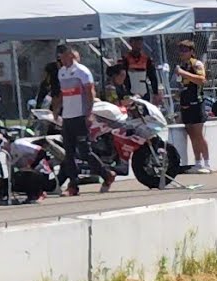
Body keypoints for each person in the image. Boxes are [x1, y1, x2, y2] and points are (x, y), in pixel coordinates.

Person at [56, 45, 115, 196]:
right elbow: (63, 93)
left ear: (70, 55)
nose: (62, 59)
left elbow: (90, 93)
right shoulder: (61, 72)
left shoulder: (82, 71)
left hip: (80, 116)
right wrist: (56, 110)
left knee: (85, 152)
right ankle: (73, 186)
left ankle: (106, 174)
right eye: (60, 57)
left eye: (64, 56)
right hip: (67, 117)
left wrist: (89, 114)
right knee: (69, 153)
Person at [176, 39, 210, 173]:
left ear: (191, 51)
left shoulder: (196, 64)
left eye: (185, 50)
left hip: (197, 103)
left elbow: (202, 80)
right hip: (186, 104)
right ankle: (197, 163)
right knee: (191, 134)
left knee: (198, 134)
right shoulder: (182, 65)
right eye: (180, 50)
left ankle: (207, 163)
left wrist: (183, 73)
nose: (182, 53)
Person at [120, 36, 161, 104]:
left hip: (143, 89)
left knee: (145, 107)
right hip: (130, 89)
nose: (138, 45)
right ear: (131, 43)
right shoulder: (126, 59)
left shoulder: (146, 59)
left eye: (139, 43)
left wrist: (155, 92)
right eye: (135, 42)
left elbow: (152, 77)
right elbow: (122, 76)